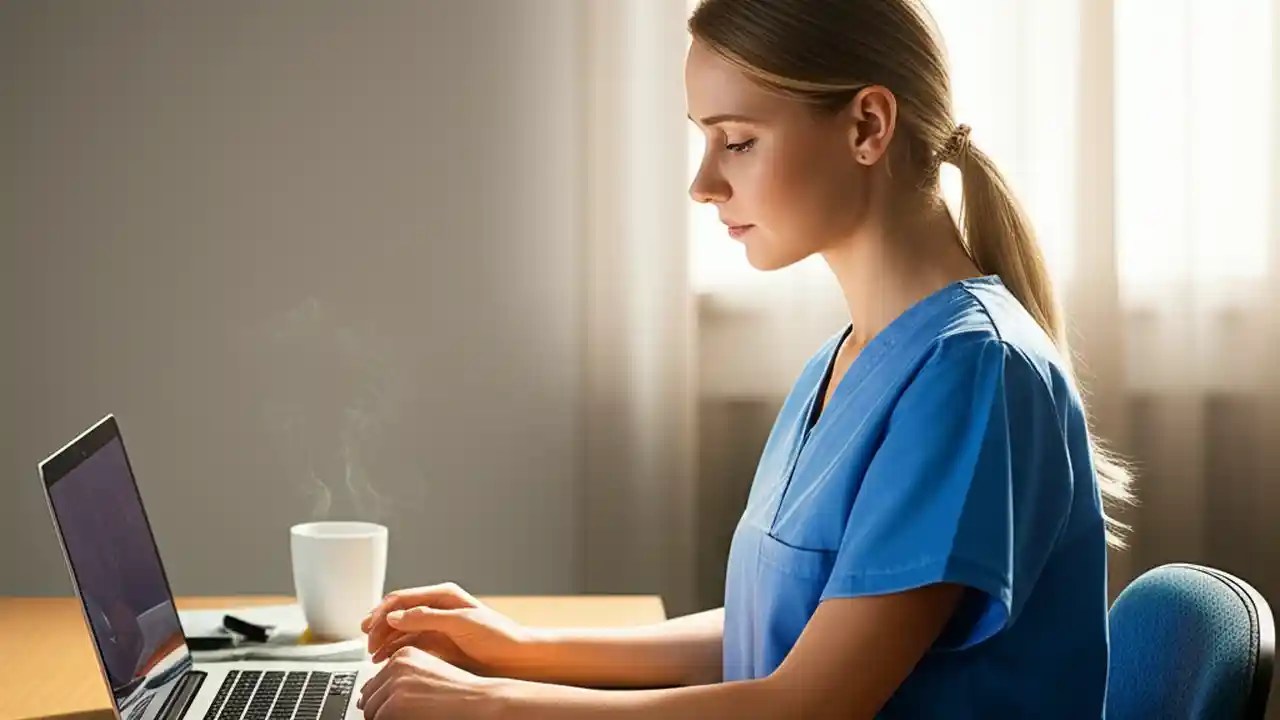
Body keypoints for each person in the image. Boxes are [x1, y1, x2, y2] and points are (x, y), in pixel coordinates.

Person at [355, 0, 1133, 717]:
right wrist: (520, 648)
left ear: (868, 125)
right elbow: (793, 628)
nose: (702, 183)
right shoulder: (849, 361)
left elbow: (809, 703)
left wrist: (491, 705)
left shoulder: (971, 373)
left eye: (737, 141)